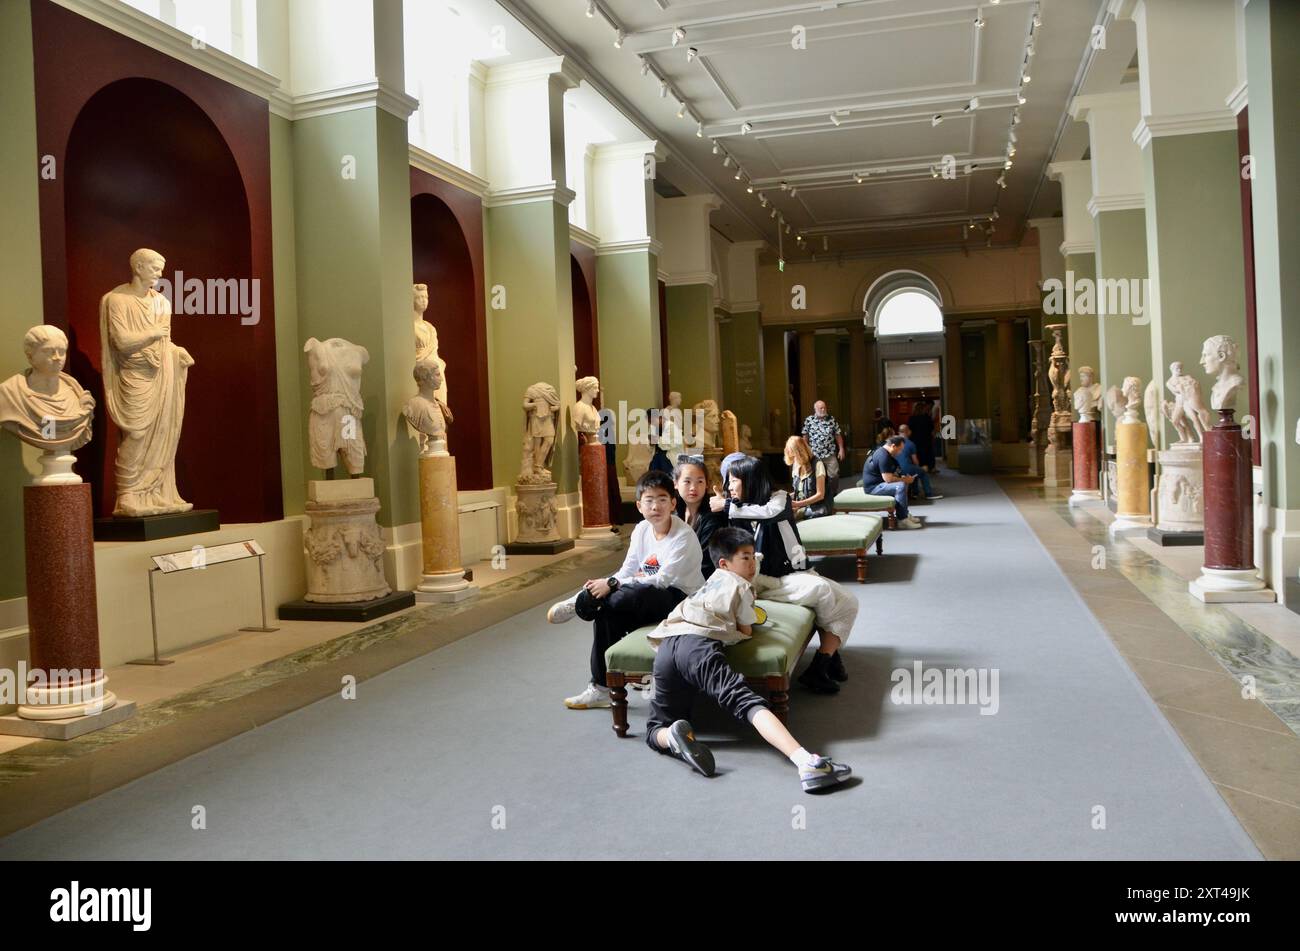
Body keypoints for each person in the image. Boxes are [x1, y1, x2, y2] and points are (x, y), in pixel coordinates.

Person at [645, 526, 853, 792]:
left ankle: (670, 737)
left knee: (654, 728)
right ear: (725, 563)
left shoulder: (709, 582)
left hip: (666, 645)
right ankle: (806, 763)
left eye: (754, 556)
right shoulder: (741, 586)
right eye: (745, 557)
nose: (753, 563)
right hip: (696, 646)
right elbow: (746, 630)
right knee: (746, 702)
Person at [547, 470, 704, 709]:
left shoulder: (683, 536)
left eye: (662, 499)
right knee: (608, 611)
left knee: (631, 593)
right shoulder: (641, 530)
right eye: (649, 500)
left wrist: (611, 584)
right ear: (639, 505)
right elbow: (626, 570)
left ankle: (582, 602)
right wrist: (611, 582)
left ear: (673, 503)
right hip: (643, 595)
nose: (656, 506)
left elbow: (662, 579)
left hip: (681, 599)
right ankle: (600, 689)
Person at [713, 454, 857, 692]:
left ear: (750, 480)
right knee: (821, 590)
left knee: (849, 601)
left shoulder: (777, 499)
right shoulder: (733, 510)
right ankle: (826, 663)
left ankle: (824, 661)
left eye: (733, 480)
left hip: (790, 574)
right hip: (763, 581)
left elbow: (769, 513)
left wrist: (728, 507)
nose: (729, 487)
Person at [673, 454, 727, 579]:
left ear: (707, 484)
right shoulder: (674, 512)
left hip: (703, 579)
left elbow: (706, 563)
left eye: (700, 481)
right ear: (675, 483)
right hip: (675, 575)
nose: (693, 488)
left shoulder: (713, 516)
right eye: (687, 481)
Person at [862, 436, 922, 529]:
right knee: (900, 486)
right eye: (900, 449)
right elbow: (888, 479)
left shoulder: (887, 454)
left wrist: (903, 478)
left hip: (880, 483)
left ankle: (904, 513)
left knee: (902, 483)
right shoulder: (883, 455)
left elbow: (893, 473)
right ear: (893, 446)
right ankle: (902, 520)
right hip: (873, 488)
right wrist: (904, 480)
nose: (900, 452)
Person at [801, 399, 845, 508]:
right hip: (814, 455)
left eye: (824, 407)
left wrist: (841, 449)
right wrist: (805, 451)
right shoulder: (809, 420)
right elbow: (805, 436)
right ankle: (818, 497)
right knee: (816, 477)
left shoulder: (831, 420)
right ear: (815, 409)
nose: (823, 409)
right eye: (821, 408)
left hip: (829, 453)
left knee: (834, 475)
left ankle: (832, 494)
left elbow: (838, 435)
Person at [784, 435, 829, 520]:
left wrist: (797, 504)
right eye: (791, 457)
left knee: (787, 517)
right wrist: (785, 497)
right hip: (802, 507)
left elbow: (820, 495)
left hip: (817, 507)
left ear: (801, 453)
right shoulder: (796, 466)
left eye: (794, 456)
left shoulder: (817, 464)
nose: (793, 460)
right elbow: (800, 492)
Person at [897, 423, 943, 500]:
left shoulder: (894, 443)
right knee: (922, 472)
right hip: (906, 468)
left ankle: (915, 493)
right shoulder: (910, 444)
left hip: (897, 469)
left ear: (899, 432)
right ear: (908, 431)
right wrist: (920, 468)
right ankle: (928, 494)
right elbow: (915, 461)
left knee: (915, 471)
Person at [907, 400, 936, 472]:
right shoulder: (927, 418)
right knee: (927, 454)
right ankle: (928, 468)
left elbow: (909, 430)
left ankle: (918, 468)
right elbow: (932, 429)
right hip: (926, 439)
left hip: (915, 440)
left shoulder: (912, 418)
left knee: (917, 454)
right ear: (923, 409)